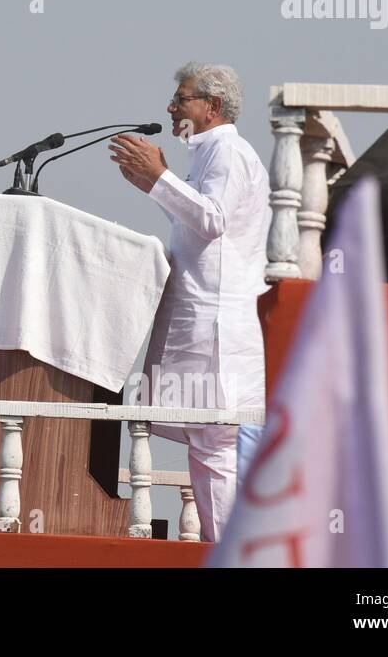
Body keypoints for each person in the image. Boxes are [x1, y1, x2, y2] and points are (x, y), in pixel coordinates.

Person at [107, 62, 270, 542]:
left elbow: (212, 219)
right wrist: (156, 183)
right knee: (209, 441)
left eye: (181, 100)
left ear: (212, 107)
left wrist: (159, 178)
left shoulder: (227, 150)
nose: (171, 108)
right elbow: (197, 226)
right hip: (206, 320)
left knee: (215, 439)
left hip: (219, 326)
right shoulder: (210, 153)